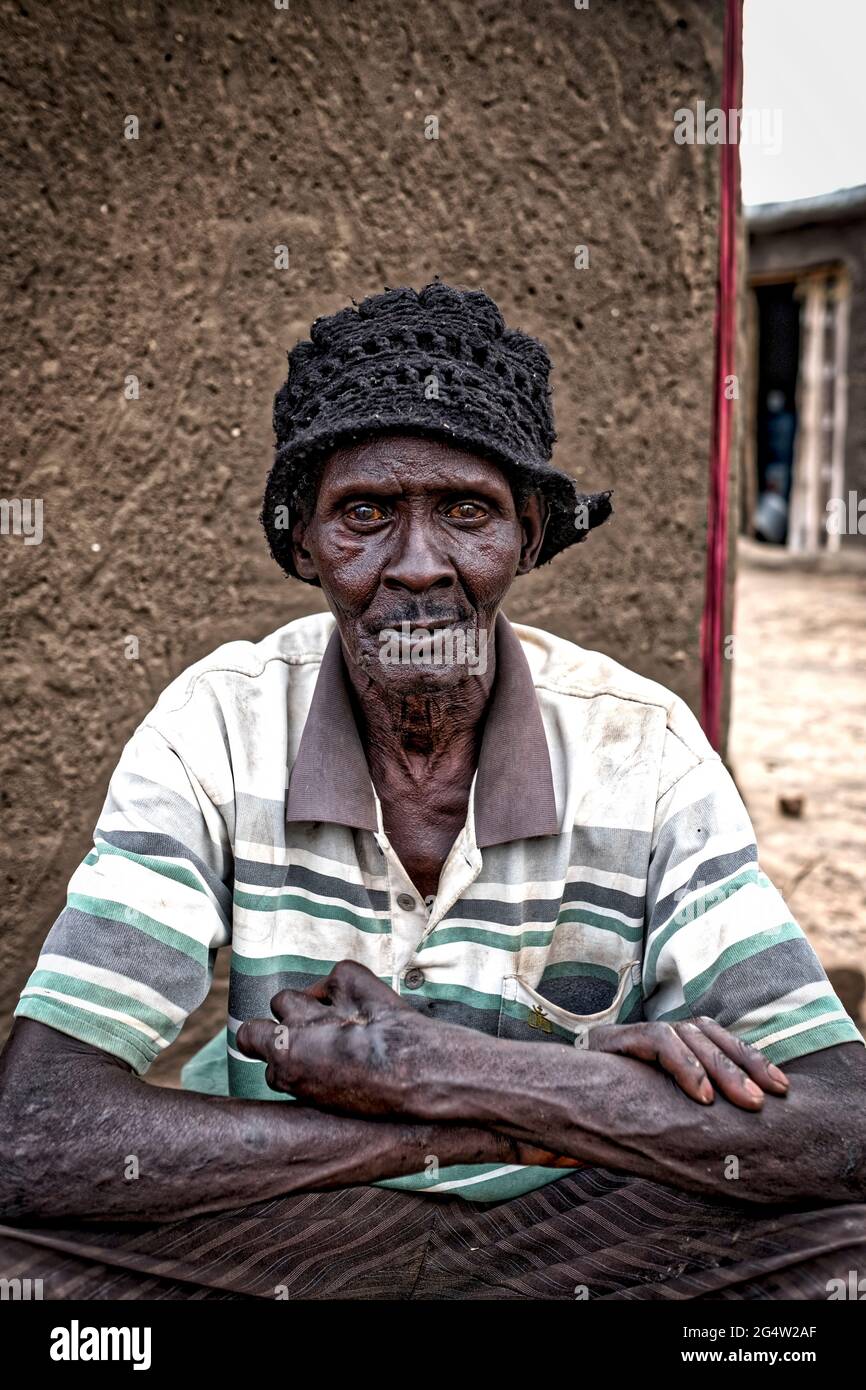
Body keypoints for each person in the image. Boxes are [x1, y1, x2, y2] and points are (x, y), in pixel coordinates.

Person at [1, 282, 864, 1301]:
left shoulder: (643, 744)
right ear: (303, 545)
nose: (417, 566)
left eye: (466, 511)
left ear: (528, 537)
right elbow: (36, 1126)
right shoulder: (216, 725)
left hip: (568, 1227)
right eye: (364, 513)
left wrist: (425, 1067)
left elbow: (839, 1124)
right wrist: (509, 1107)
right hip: (288, 1210)